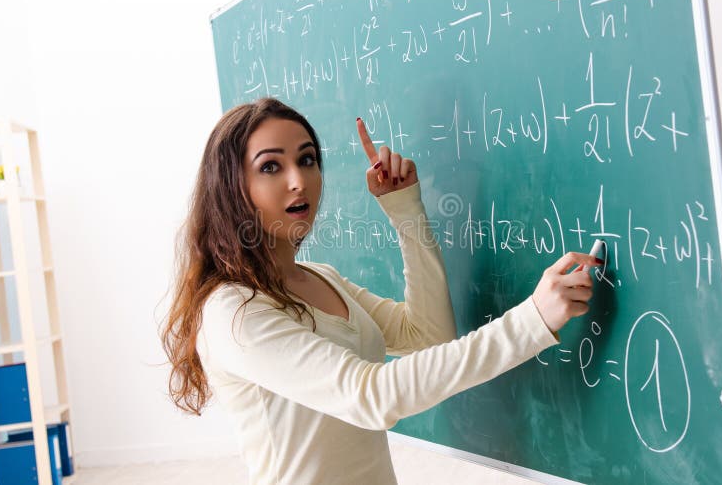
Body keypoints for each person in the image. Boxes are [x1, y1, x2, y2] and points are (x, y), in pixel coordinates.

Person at [160, 97, 601, 485]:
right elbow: (371, 396)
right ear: (231, 187)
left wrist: (405, 210)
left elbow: (427, 335)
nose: (299, 180)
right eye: (270, 166)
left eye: (308, 159)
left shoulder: (320, 277)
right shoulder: (233, 311)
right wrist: (532, 320)